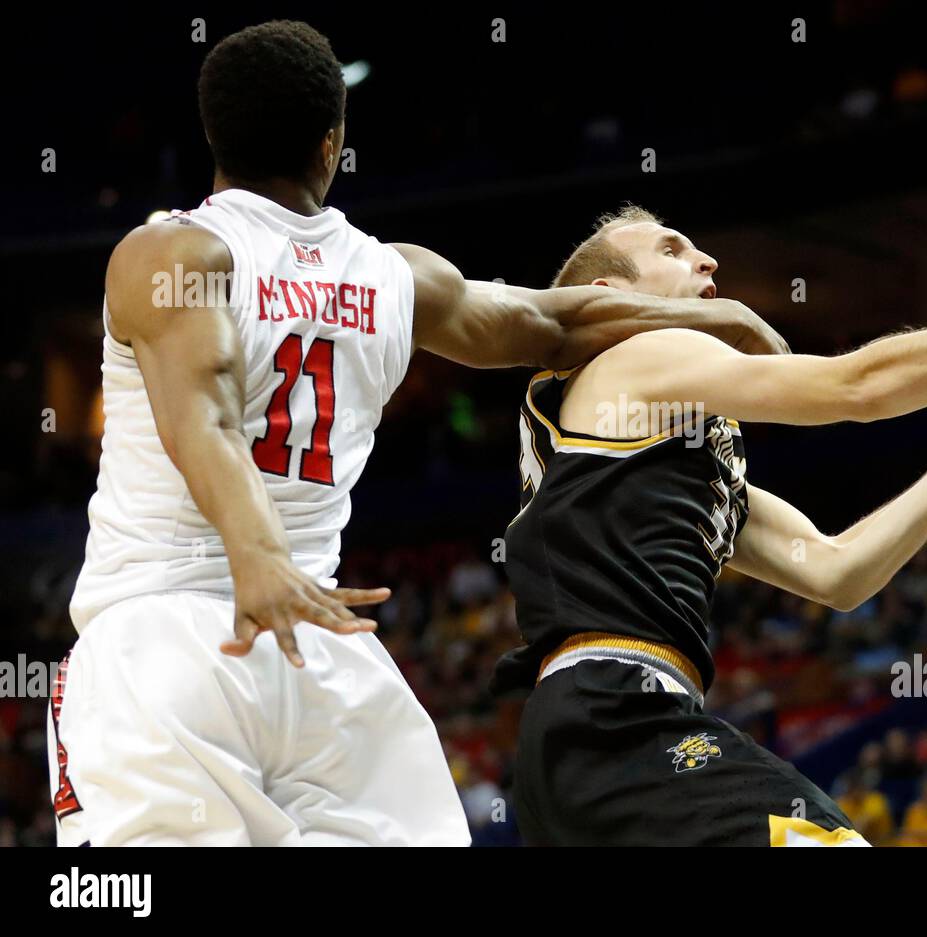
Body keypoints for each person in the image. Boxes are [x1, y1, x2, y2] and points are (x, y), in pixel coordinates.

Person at [49, 23, 784, 847]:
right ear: (333, 144)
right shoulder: (394, 274)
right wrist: (714, 313)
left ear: (212, 135)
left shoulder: (169, 251)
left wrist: (255, 562)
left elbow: (206, 414)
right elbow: (554, 321)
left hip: (167, 638)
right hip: (320, 648)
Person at [494, 206, 927, 846]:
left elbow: (838, 571)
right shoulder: (631, 359)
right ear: (617, 293)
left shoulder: (671, 457)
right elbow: (855, 386)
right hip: (616, 717)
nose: (707, 261)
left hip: (579, 744)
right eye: (673, 249)